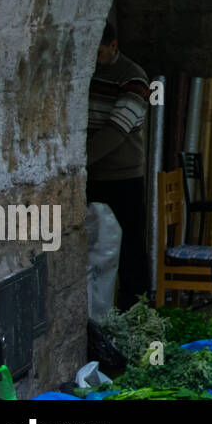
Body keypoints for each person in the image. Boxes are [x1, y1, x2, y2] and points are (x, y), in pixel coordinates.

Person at [86, 21, 152, 309]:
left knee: (130, 248)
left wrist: (80, 161)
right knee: (91, 245)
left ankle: (135, 312)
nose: (94, 59)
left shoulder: (133, 77)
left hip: (122, 176)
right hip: (91, 174)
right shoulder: (87, 74)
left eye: (99, 52)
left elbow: (117, 128)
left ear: (113, 46)